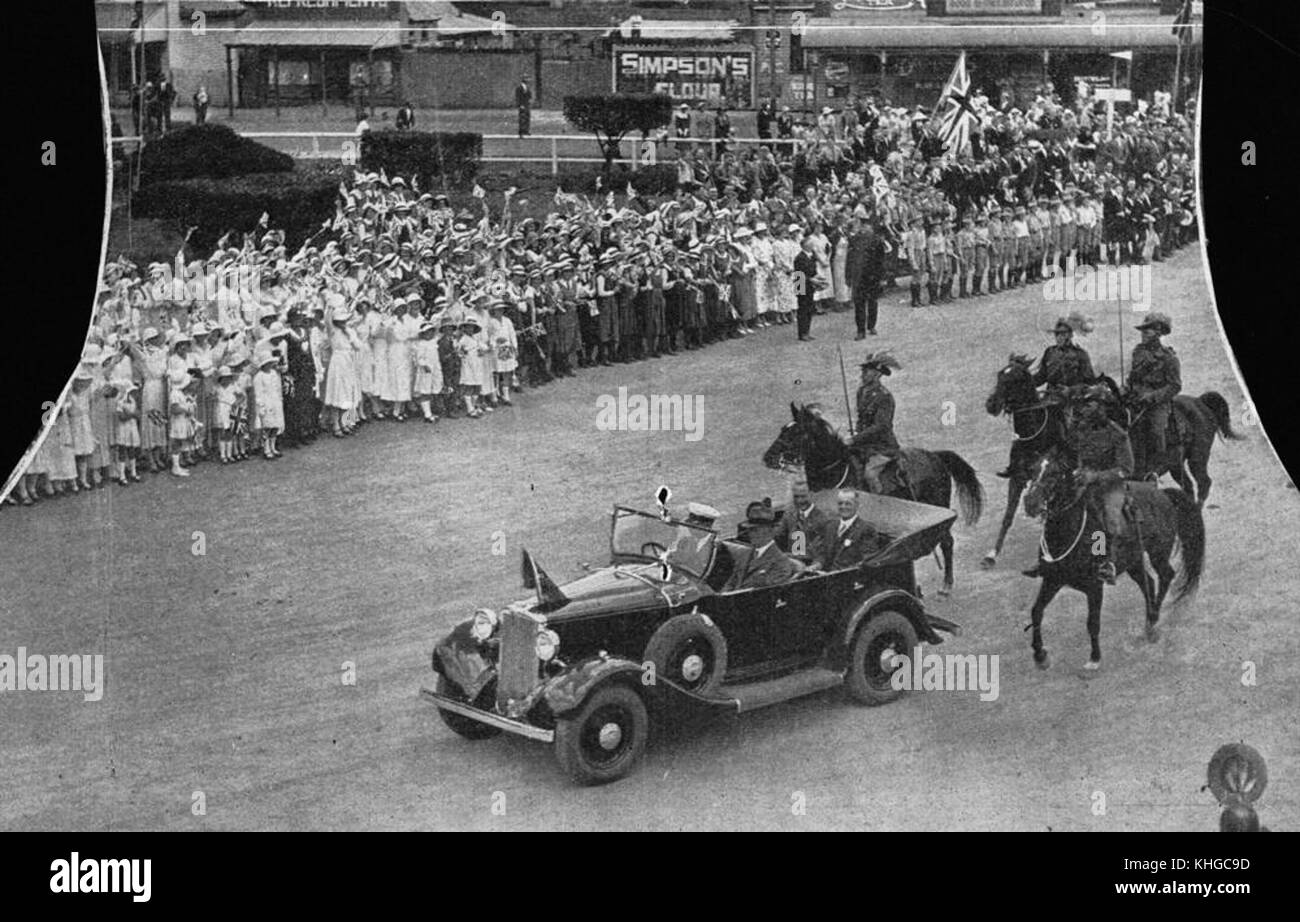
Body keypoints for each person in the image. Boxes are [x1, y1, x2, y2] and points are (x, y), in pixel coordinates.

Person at [1069, 387, 1135, 584]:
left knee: (1107, 517)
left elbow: (1126, 469)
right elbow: (1078, 453)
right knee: (1059, 506)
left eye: (1090, 404)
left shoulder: (1117, 434)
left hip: (1111, 486)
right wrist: (1079, 471)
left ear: (1102, 407)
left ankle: (1105, 562)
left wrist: (1096, 477)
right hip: (1085, 480)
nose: (1085, 408)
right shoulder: (1082, 429)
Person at [1125, 311, 1180, 469]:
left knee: (1155, 432)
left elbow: (1175, 386)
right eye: (1142, 330)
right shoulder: (1138, 352)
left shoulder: (1169, 358)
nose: (1143, 333)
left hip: (1156, 404)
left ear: (1158, 332)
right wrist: (1126, 388)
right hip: (1135, 399)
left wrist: (1152, 397)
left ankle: (1155, 469)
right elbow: (1133, 377)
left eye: (1146, 330)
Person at [848, 351, 901, 495]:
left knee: (870, 474)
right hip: (864, 444)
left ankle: (880, 502)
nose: (863, 374)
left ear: (877, 374)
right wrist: (857, 433)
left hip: (882, 446)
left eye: (867, 371)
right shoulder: (861, 392)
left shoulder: (884, 397)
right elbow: (862, 418)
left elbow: (881, 426)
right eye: (863, 371)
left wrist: (854, 439)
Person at [722, 499, 805, 591]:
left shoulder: (780, 563)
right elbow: (731, 583)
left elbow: (765, 594)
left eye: (756, 530)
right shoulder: (745, 555)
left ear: (771, 531)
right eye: (750, 530)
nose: (751, 534)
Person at [812, 489, 885, 571]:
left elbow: (867, 561)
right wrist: (817, 565)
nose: (843, 507)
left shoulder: (866, 529)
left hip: (848, 578)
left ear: (857, 505)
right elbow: (822, 553)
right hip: (824, 577)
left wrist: (835, 573)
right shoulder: (830, 526)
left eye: (848, 504)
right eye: (840, 503)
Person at [775, 480, 829, 562]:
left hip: (812, 564)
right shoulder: (789, 515)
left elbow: (817, 551)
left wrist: (789, 556)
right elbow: (778, 536)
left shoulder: (822, 519)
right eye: (796, 497)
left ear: (811, 495)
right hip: (790, 563)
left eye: (803, 496)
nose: (799, 501)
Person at [792, 234, 819, 342]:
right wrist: (811, 279)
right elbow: (799, 274)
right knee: (803, 309)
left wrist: (816, 279)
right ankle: (802, 333)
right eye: (811, 244)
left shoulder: (811, 256)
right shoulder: (799, 258)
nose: (812, 246)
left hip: (809, 284)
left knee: (809, 308)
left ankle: (806, 331)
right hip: (801, 284)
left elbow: (814, 270)